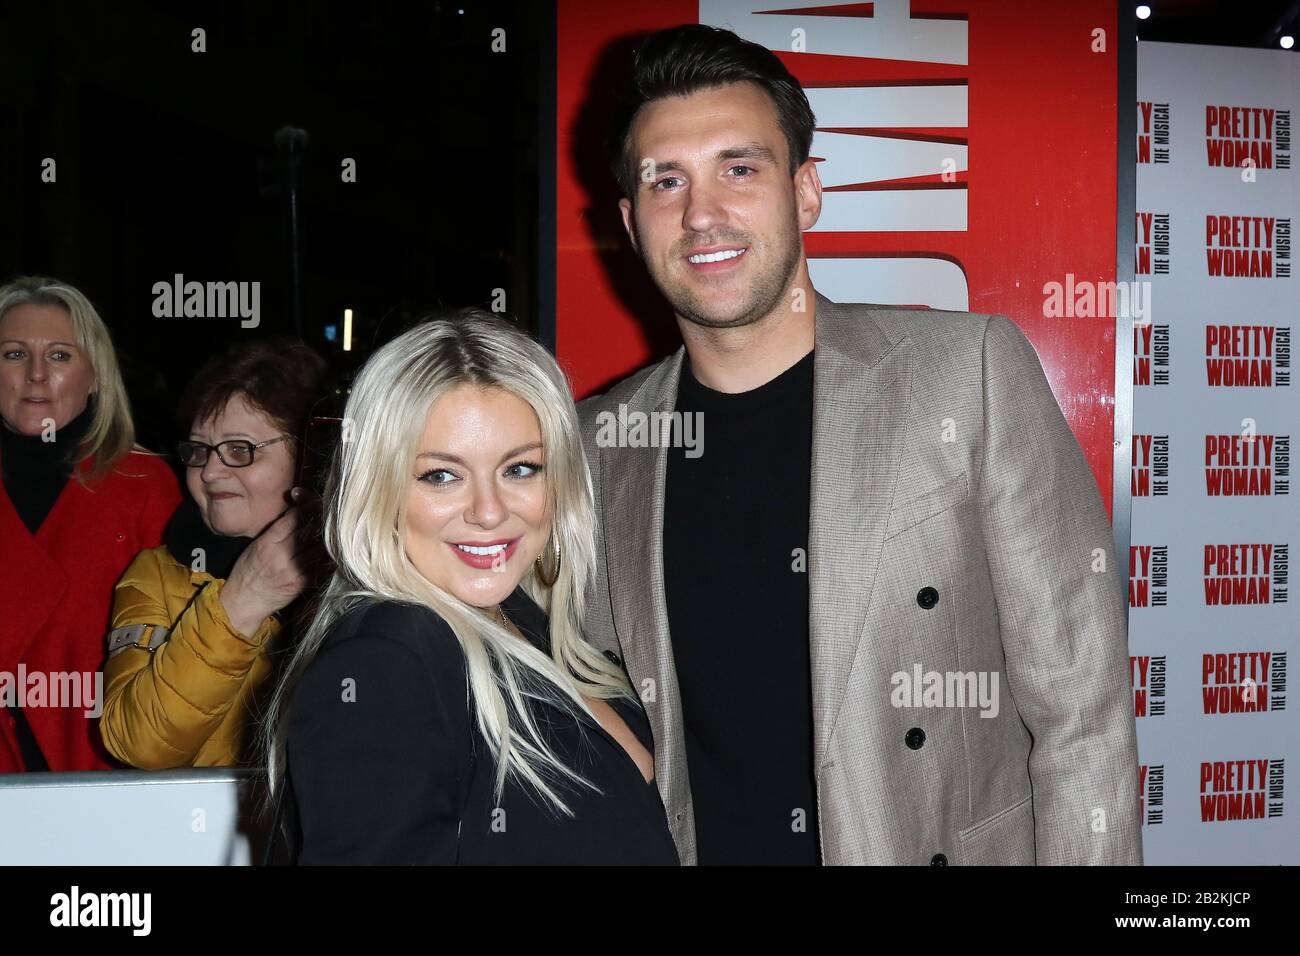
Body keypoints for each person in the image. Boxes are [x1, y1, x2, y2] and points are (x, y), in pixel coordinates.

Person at [576, 24, 1142, 865]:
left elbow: (1083, 714)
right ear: (630, 220)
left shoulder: (968, 376)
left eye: (741, 168)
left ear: (805, 192)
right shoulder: (601, 444)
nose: (702, 214)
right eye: (667, 181)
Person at [264, 310, 678, 865]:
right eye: (441, 475)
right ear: (378, 488)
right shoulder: (386, 661)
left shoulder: (518, 618)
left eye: (520, 469)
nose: (489, 511)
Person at [100, 339, 329, 768]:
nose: (209, 471)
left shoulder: (366, 567)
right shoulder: (156, 575)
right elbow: (138, 743)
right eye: (199, 450)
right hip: (208, 830)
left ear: (308, 460)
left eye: (240, 450)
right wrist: (244, 599)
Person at [0, 276, 181, 772]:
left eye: (60, 356)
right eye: (14, 354)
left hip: (103, 784)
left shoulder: (144, 485)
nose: (36, 374)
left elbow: (176, 669)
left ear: (96, 375)